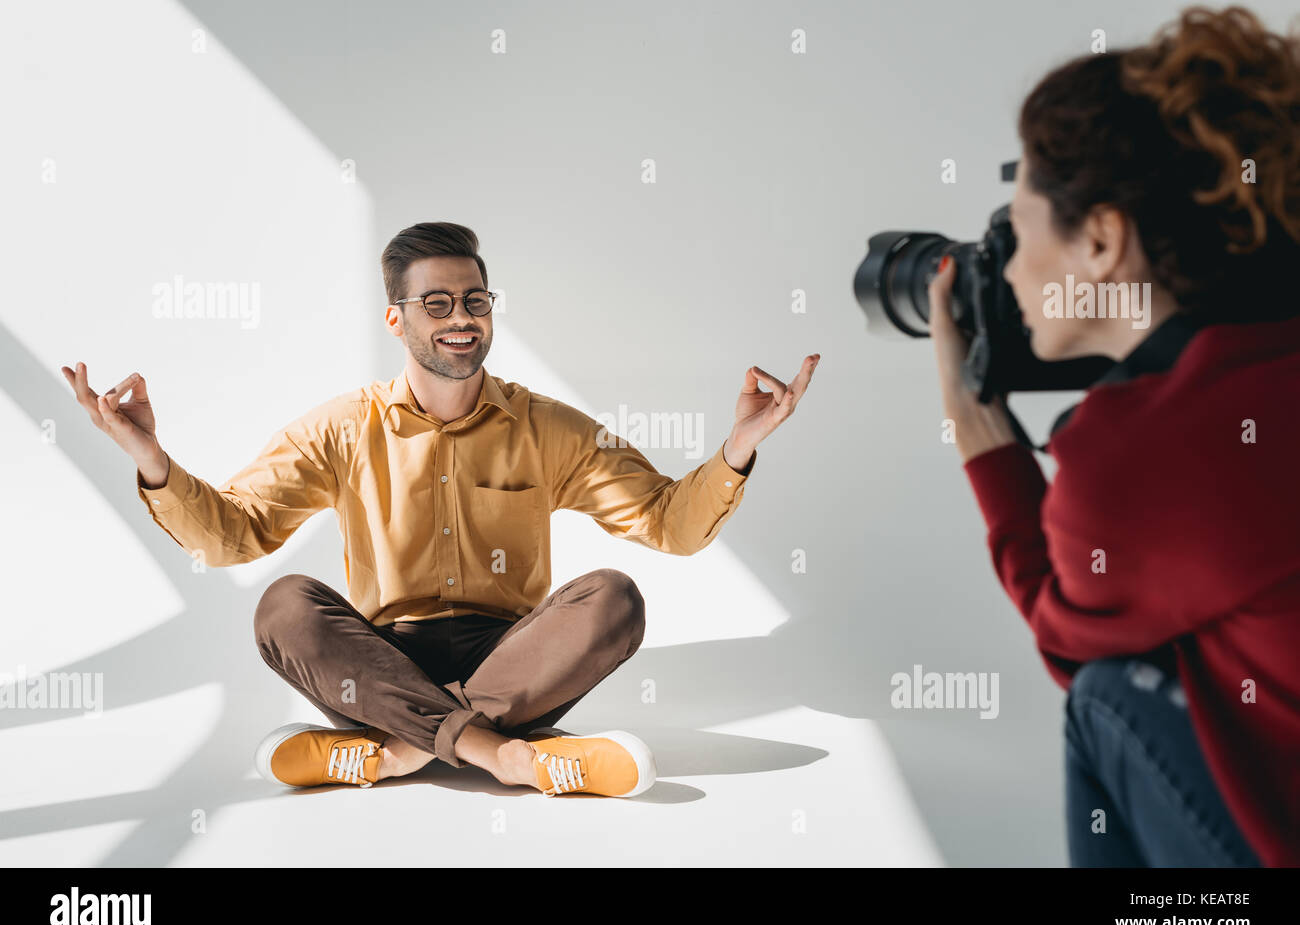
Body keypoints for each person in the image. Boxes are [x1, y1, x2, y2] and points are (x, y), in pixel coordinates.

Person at [62, 221, 819, 797]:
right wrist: (150, 458)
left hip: (511, 661)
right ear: (397, 319)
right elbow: (234, 536)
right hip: (383, 661)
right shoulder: (341, 426)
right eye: (437, 303)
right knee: (282, 606)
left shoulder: (547, 426)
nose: (461, 317)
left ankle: (393, 753)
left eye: (474, 300)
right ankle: (512, 754)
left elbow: (667, 524)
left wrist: (737, 448)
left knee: (614, 599)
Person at [928, 5, 1300, 866]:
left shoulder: (1134, 460)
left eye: (1016, 232)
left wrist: (975, 423)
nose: (1009, 269)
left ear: (1100, 240)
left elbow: (1067, 633)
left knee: (1106, 696)